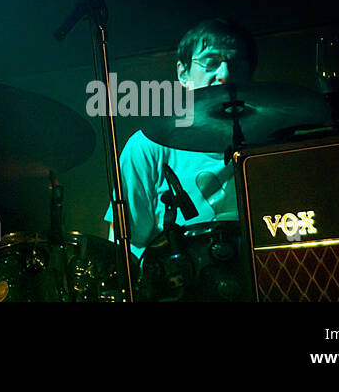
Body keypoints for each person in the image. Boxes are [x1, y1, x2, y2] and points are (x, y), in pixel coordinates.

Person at [105, 18, 257, 260]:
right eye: (211, 63)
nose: (225, 75)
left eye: (236, 64)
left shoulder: (271, 145)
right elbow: (127, 246)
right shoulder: (147, 147)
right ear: (183, 73)